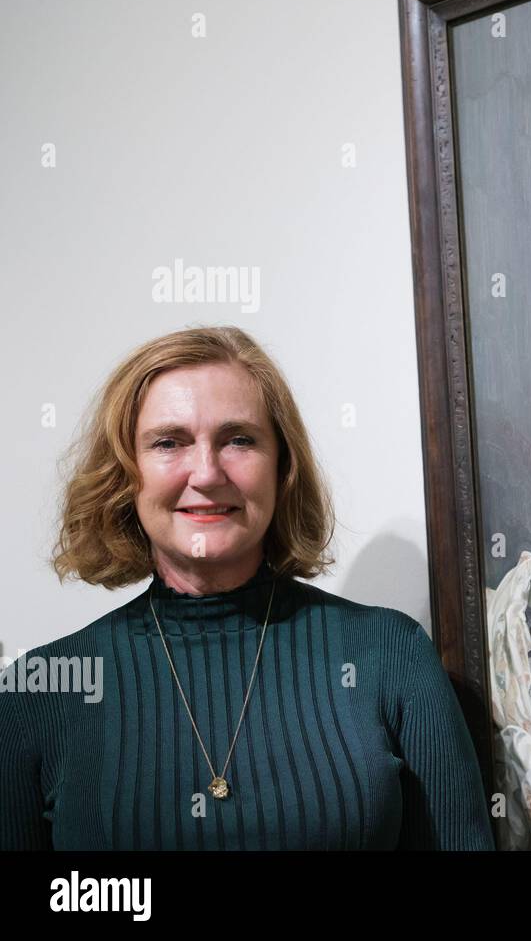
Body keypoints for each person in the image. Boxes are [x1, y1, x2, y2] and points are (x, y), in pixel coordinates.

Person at [0, 326, 494, 850]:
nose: (207, 472)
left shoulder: (389, 654)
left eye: (239, 439)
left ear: (281, 467)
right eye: (169, 442)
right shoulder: (39, 690)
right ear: (126, 474)